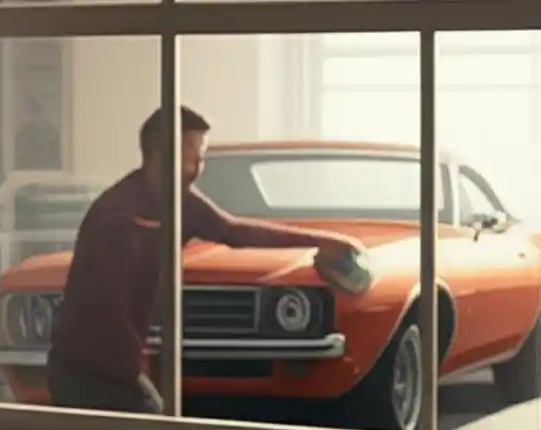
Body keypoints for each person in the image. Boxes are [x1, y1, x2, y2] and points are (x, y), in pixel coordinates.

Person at [46, 106, 367, 414]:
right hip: (86, 372)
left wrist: (324, 241)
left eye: (201, 159)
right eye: (193, 158)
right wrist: (135, 372)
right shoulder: (117, 217)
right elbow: (108, 308)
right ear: (164, 153)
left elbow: (236, 232)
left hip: (114, 368)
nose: (198, 169)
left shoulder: (181, 200)